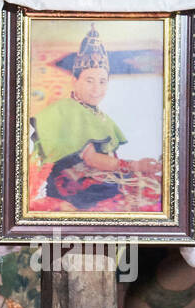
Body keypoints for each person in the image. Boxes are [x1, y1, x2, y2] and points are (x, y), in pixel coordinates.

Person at [30, 23, 159, 209]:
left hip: (98, 177)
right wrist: (136, 165)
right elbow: (92, 159)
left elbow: (106, 156)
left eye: (102, 81)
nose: (96, 89)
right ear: (75, 81)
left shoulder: (96, 114)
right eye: (89, 81)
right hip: (74, 184)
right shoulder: (68, 110)